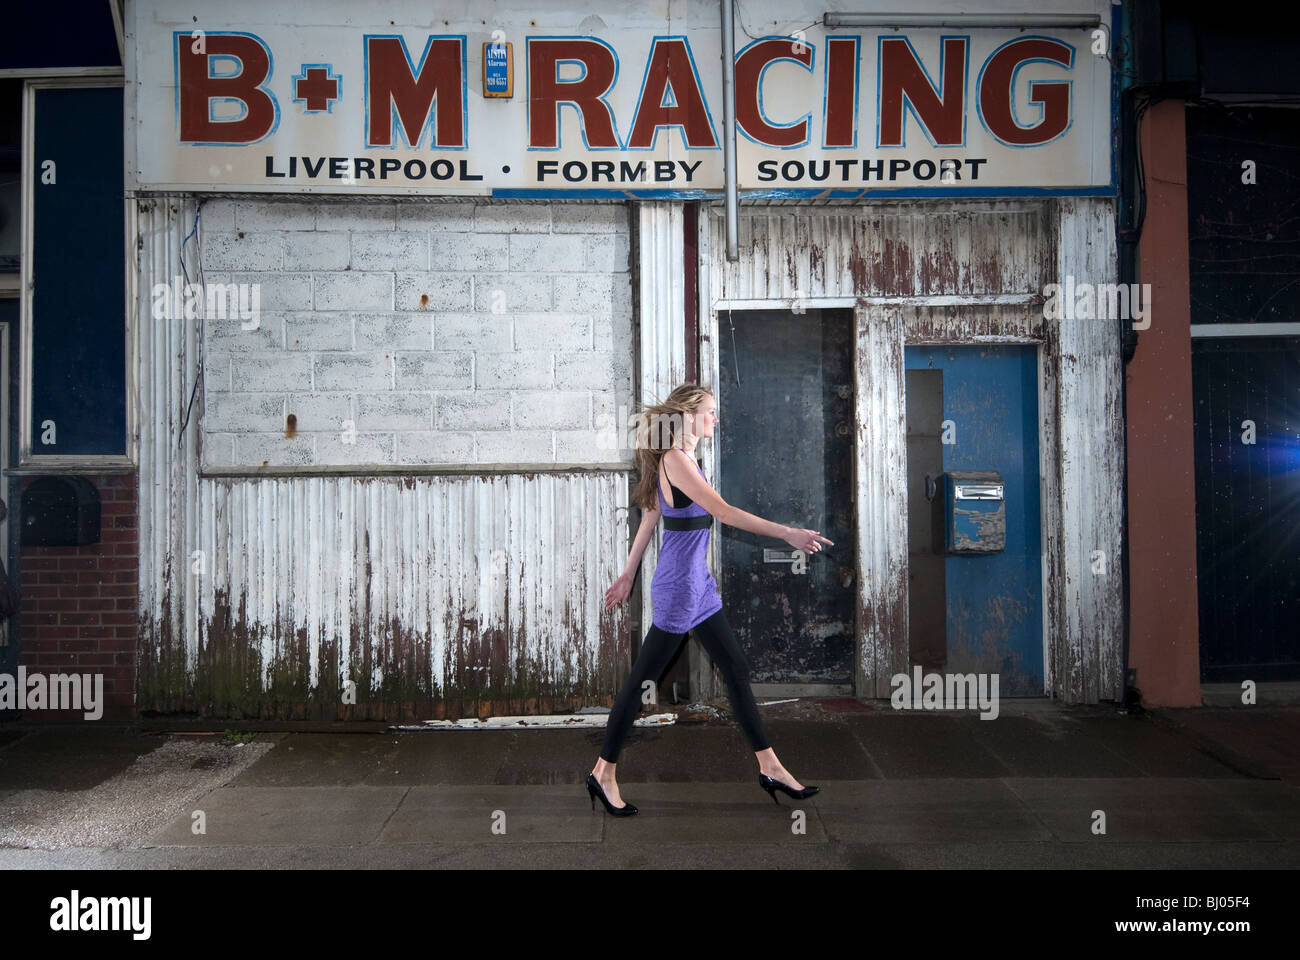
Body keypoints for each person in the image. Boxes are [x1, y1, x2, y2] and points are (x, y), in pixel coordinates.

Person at [587, 383, 832, 816]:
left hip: (699, 586)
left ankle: (769, 765)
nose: (715, 419)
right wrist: (787, 532)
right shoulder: (677, 460)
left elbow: (651, 515)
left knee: (735, 667)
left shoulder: (686, 460)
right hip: (680, 589)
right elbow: (723, 512)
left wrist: (627, 574)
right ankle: (603, 772)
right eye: (710, 412)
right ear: (687, 415)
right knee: (643, 681)